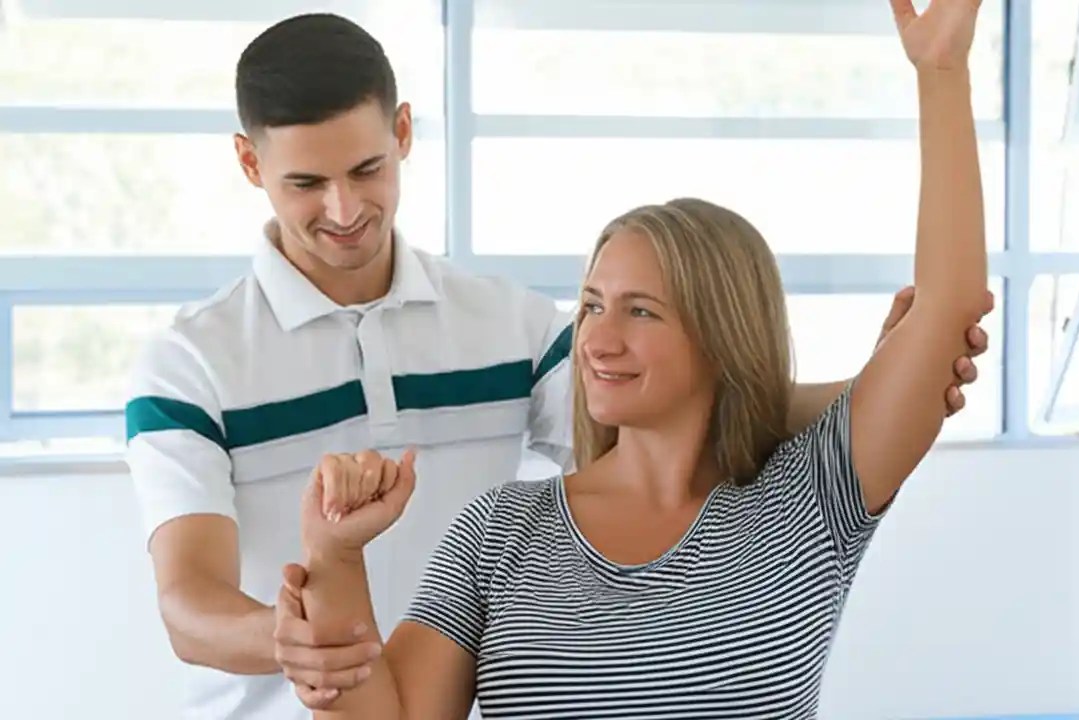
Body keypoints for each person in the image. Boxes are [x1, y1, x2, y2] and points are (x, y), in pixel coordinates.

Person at [123, 10, 990, 720]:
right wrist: (313, 601)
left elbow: (678, 396)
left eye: (366, 169)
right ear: (251, 163)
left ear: (403, 134)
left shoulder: (511, 329)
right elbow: (186, 603)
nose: (345, 208)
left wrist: (897, 379)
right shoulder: (194, 363)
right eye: (307, 184)